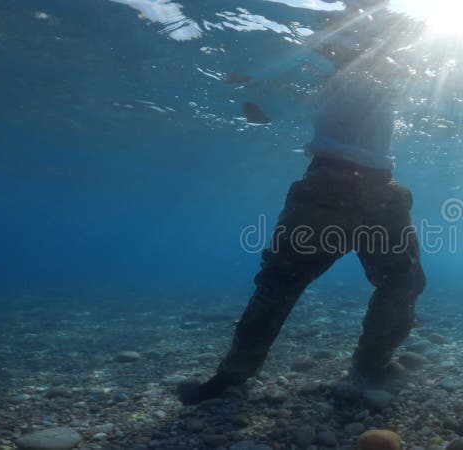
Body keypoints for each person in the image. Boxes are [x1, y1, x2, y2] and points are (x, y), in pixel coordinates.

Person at [178, 2, 425, 405]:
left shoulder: (338, 54)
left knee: (282, 284)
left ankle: (233, 376)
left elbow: (273, 95)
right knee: (398, 281)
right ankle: (370, 365)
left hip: (337, 186)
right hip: (365, 188)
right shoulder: (362, 52)